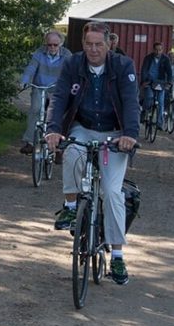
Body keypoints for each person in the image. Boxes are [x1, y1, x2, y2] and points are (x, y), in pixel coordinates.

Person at [44, 21, 139, 285]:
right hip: (83, 126)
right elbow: (60, 96)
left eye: (99, 44)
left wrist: (130, 134)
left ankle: (118, 256)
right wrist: (53, 130)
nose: (93, 49)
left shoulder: (123, 66)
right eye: (88, 44)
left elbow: (131, 101)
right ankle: (72, 207)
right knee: (73, 151)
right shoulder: (73, 64)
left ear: (109, 44)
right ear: (82, 44)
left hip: (115, 133)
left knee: (111, 191)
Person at [18, 30, 71, 153]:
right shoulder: (39, 53)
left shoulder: (67, 55)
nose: (52, 47)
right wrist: (24, 81)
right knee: (35, 110)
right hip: (39, 87)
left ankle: (59, 145)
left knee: (57, 114)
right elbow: (31, 68)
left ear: (61, 44)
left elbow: (71, 71)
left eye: (55, 45)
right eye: (49, 44)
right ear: (45, 44)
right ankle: (30, 142)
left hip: (57, 89)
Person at [139, 42, 174, 128]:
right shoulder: (148, 58)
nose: (158, 52)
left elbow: (169, 72)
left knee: (161, 102)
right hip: (149, 81)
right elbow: (144, 70)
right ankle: (144, 112)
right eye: (156, 50)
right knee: (149, 98)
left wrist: (169, 83)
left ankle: (159, 123)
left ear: (162, 50)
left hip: (160, 82)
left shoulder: (165, 59)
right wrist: (144, 81)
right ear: (153, 50)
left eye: (160, 50)